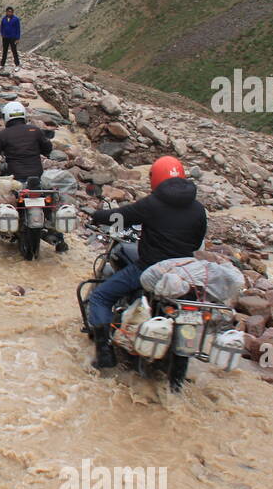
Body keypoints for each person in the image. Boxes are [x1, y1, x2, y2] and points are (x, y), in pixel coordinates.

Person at [86, 156, 208, 369]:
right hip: (185, 274)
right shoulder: (197, 208)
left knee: (100, 296)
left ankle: (104, 354)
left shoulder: (153, 203)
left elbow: (121, 216)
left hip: (150, 268)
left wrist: (97, 215)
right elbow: (197, 242)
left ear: (155, 177)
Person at [0, 102, 64, 251]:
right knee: (51, 205)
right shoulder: (35, 131)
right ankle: (60, 241)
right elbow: (48, 149)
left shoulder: (4, 135)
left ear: (6, 117)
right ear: (23, 116)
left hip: (15, 181)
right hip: (37, 181)